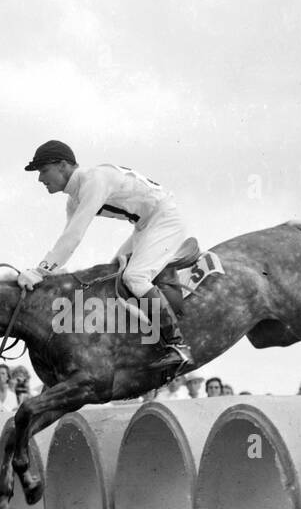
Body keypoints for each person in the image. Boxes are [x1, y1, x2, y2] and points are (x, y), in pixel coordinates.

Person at [16, 140, 193, 371]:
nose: (40, 179)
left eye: (43, 170)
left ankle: (178, 345)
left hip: (164, 219)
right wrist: (46, 272)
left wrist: (39, 271)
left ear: (62, 165)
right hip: (144, 226)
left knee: (135, 278)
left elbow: (73, 236)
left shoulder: (94, 180)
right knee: (113, 274)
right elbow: (68, 241)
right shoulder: (74, 200)